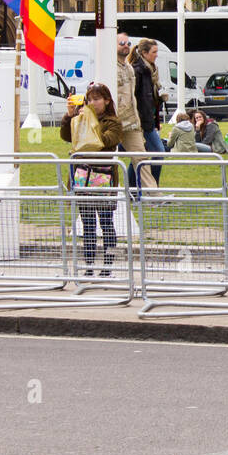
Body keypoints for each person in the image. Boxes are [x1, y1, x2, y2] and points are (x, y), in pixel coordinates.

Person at [60, 83, 124, 276]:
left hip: (103, 177)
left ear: (106, 100)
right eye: (90, 99)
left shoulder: (113, 121)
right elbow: (67, 136)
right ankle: (88, 265)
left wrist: (87, 123)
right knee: (87, 224)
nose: (92, 103)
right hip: (83, 176)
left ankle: (108, 265)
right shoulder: (81, 118)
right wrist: (70, 117)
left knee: (106, 223)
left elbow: (104, 141)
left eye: (97, 99)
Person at [115, 33, 155, 190]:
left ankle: (152, 193)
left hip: (131, 122)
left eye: (128, 43)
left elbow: (133, 97)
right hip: (113, 122)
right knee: (104, 158)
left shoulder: (129, 68)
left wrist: (138, 120)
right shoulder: (109, 67)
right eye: (122, 43)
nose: (126, 45)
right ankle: (105, 191)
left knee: (142, 157)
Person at [129, 38, 165, 183]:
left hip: (148, 120)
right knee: (158, 153)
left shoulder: (150, 70)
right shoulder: (138, 71)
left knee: (138, 157)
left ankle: (132, 189)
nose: (156, 55)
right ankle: (152, 187)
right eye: (154, 52)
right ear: (144, 53)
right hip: (142, 122)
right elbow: (135, 98)